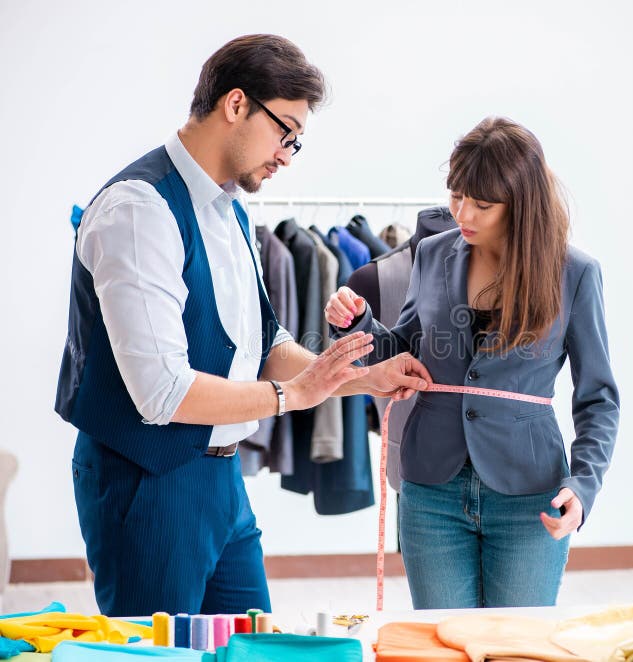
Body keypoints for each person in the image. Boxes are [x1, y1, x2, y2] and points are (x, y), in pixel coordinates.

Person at [54, 34, 430, 617]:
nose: (287, 153)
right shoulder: (139, 210)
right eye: (286, 133)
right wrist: (291, 397)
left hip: (223, 484)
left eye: (295, 143)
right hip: (148, 480)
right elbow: (162, 394)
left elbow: (266, 342)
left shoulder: (229, 208)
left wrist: (362, 378)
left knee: (253, 646)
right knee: (163, 658)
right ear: (235, 105)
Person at [325, 117, 620, 609]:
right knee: (443, 645)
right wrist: (357, 325)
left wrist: (584, 484)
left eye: (482, 204)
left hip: (530, 493)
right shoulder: (434, 254)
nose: (463, 212)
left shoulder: (576, 273)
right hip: (431, 491)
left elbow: (599, 399)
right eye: (456, 195)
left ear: (523, 205)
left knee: (514, 647)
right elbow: (405, 348)